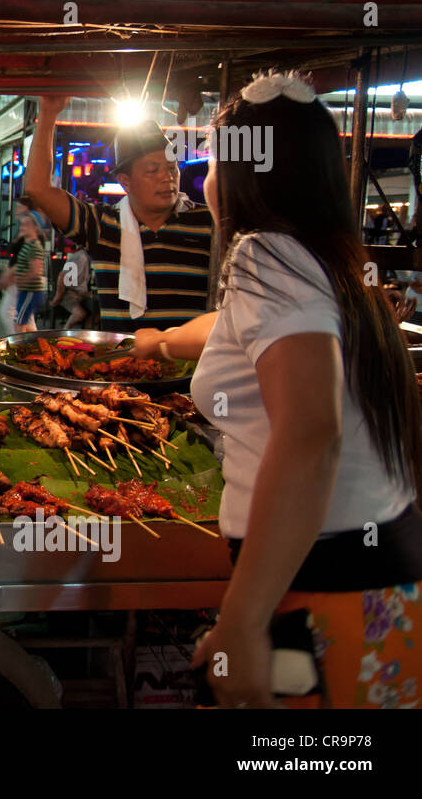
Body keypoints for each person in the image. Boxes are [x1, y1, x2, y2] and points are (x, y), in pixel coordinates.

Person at [129, 72, 422, 709]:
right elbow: (243, 331)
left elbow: (313, 431)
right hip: (363, 585)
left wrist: (241, 621)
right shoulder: (326, 260)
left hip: (327, 596)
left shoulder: (269, 257)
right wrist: (162, 340)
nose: (202, 178)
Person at [25, 95, 214, 331]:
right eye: (153, 170)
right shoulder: (101, 224)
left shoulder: (208, 221)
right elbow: (37, 188)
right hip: (122, 362)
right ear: (126, 182)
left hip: (191, 365)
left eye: (171, 167)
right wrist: (48, 115)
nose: (167, 177)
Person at [0, 206, 48, 333]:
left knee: (18, 323)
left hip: (30, 291)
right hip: (26, 291)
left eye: (27, 225)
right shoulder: (28, 244)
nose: (22, 227)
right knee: (22, 322)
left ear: (36, 227)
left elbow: (35, 270)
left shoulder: (34, 246)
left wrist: (20, 280)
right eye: (22, 225)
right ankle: (31, 345)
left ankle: (22, 348)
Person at [50, 244, 92, 328]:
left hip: (80, 294)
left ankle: (86, 335)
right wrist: (58, 296)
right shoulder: (80, 257)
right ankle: (65, 331)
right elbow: (62, 276)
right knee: (80, 314)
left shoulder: (87, 258)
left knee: (95, 312)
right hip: (69, 293)